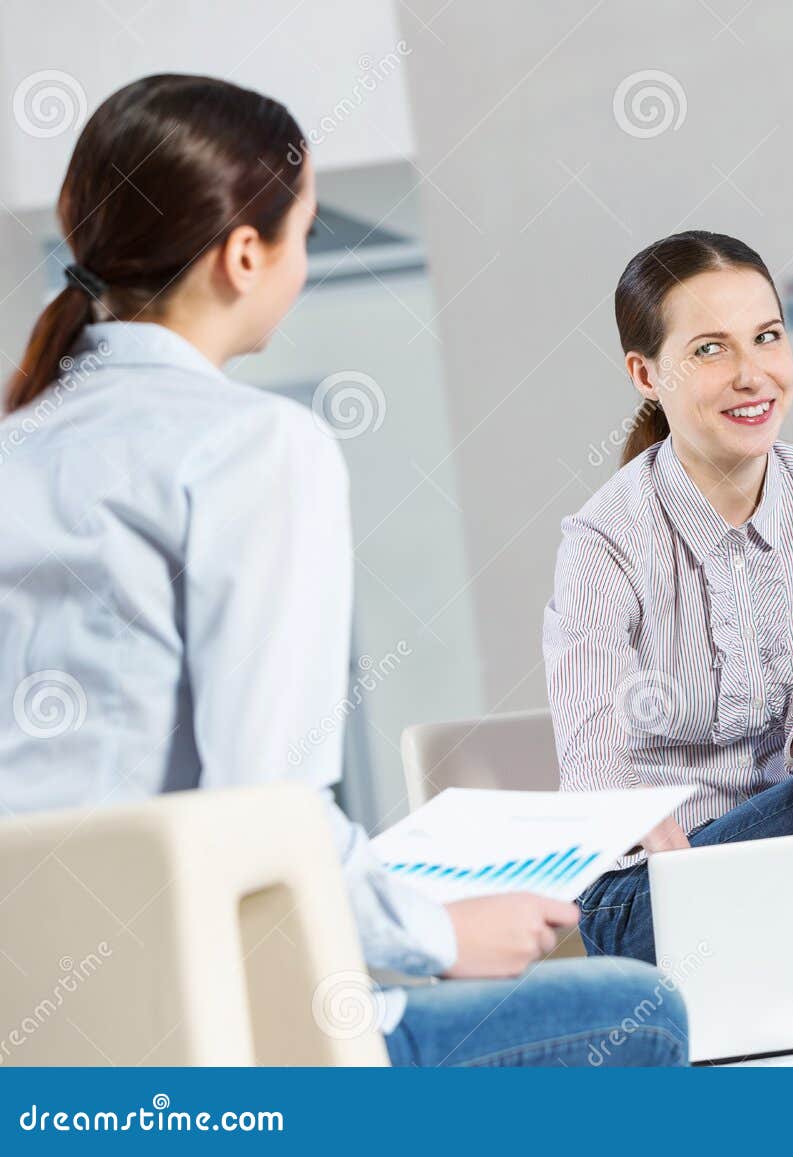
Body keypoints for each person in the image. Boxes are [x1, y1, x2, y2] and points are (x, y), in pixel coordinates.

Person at [0, 74, 685, 1068]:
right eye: (305, 233)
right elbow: (265, 808)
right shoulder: (254, 448)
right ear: (244, 255)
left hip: (44, 1039)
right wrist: (446, 933)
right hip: (219, 1043)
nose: (302, 265)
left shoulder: (19, 446)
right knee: (639, 1010)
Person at [545, 230, 793, 963]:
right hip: (651, 890)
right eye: (709, 349)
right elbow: (596, 772)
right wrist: (701, 879)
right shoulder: (603, 540)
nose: (752, 373)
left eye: (766, 337)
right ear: (645, 374)